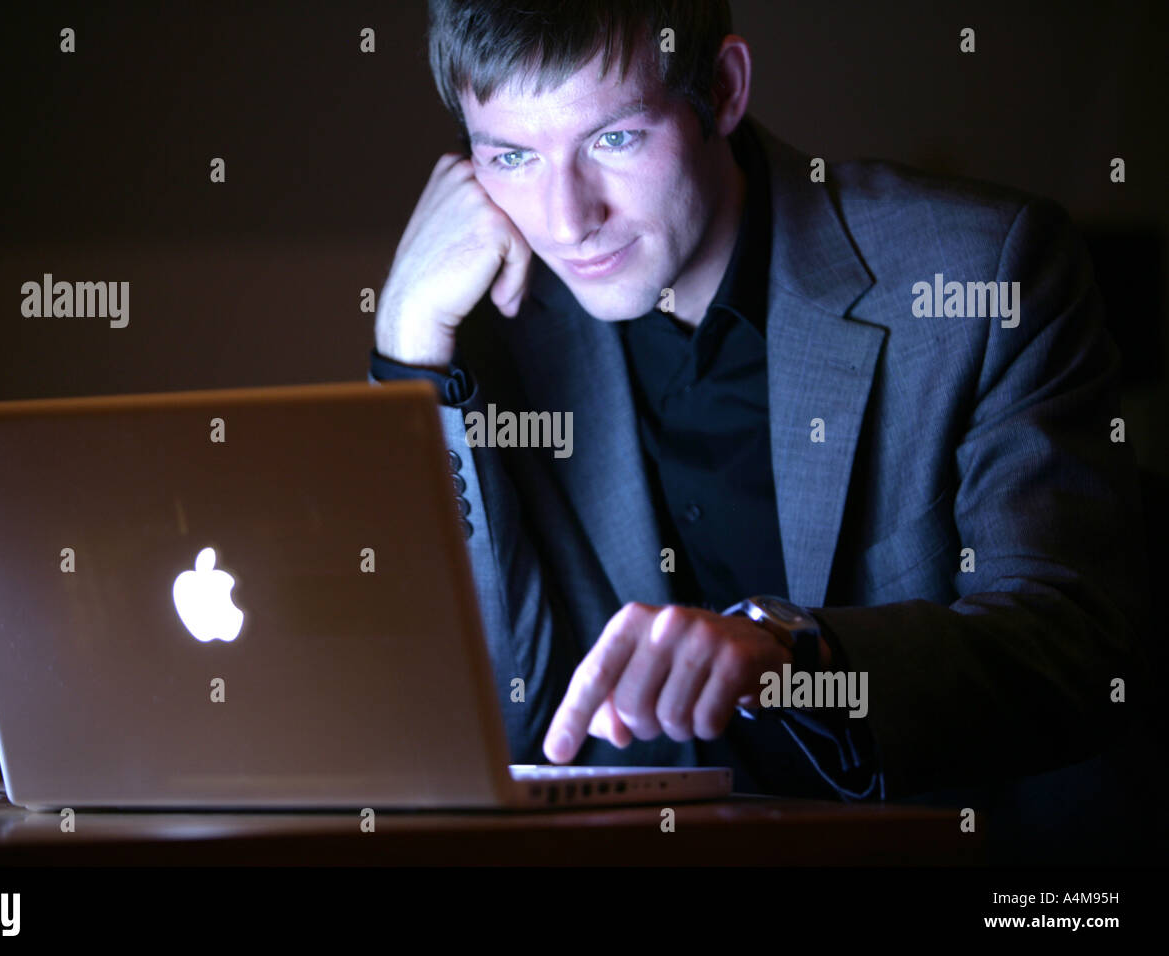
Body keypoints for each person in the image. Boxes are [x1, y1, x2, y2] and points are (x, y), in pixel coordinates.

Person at [370, 0, 1152, 861]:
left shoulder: (982, 270)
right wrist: (410, 358)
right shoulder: (485, 329)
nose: (565, 219)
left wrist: (793, 653)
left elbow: (1077, 650)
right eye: (512, 156)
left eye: (615, 138)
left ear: (725, 90)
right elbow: (484, 720)